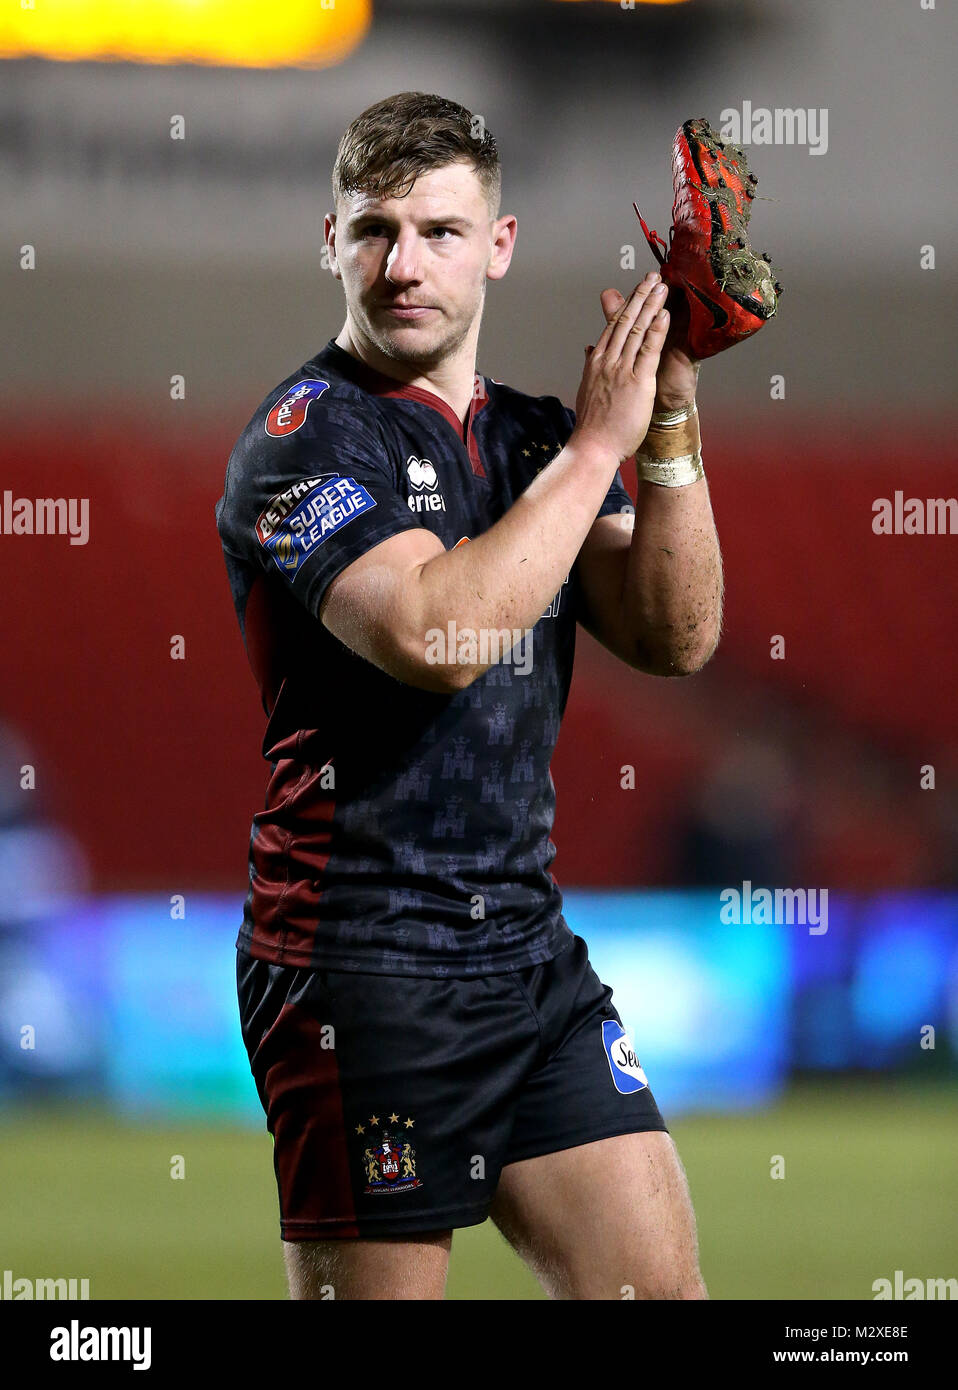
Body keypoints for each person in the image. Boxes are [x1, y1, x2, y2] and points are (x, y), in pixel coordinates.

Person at [215, 91, 722, 1300]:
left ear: (498, 246)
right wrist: (599, 452)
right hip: (362, 966)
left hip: (528, 954)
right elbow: (434, 633)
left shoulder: (537, 442)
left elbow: (676, 635)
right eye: (375, 231)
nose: (404, 265)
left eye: (441, 232)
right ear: (327, 240)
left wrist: (667, 426)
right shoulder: (303, 442)